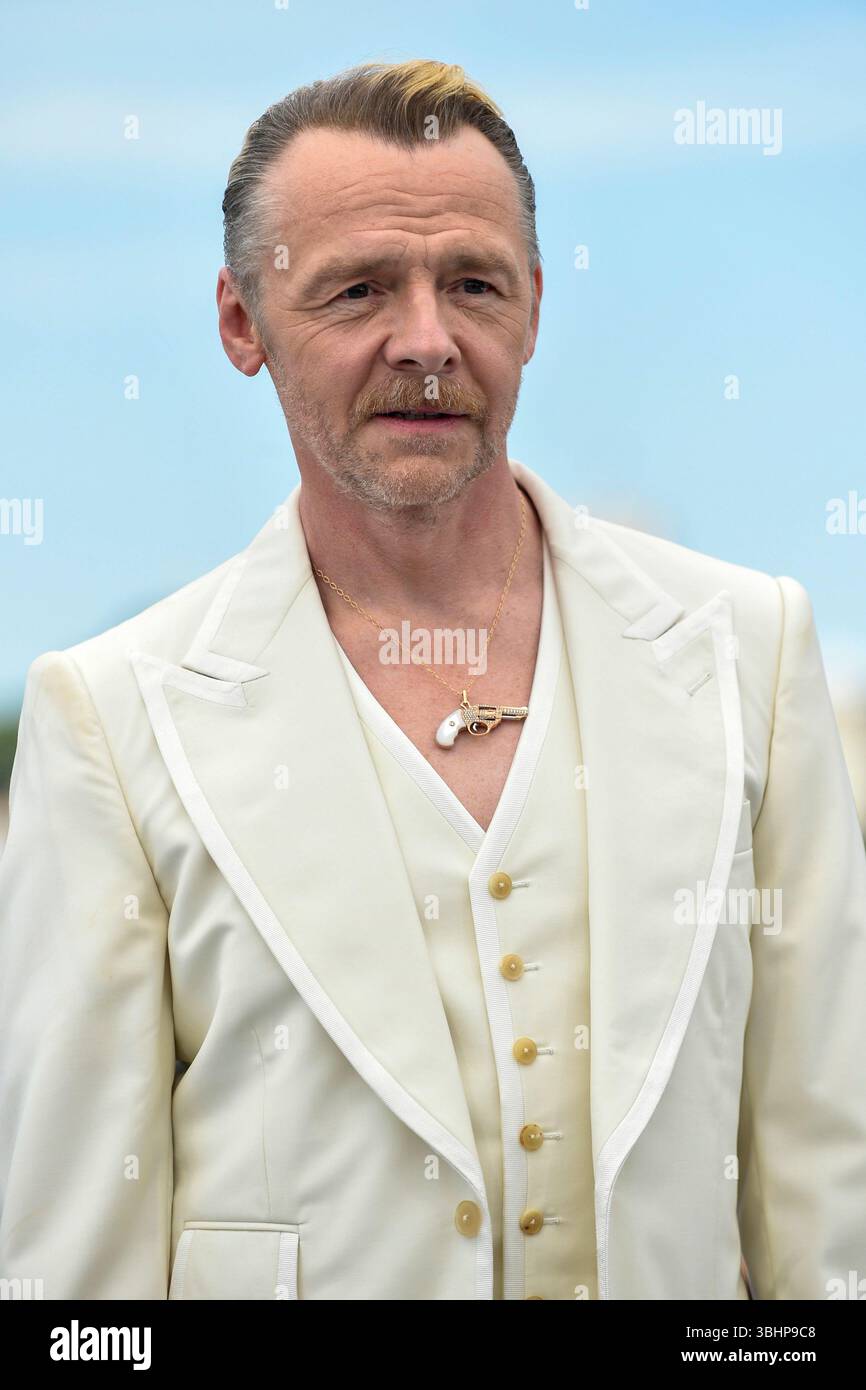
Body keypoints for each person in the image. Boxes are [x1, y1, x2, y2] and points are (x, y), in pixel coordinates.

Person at [1, 58, 865, 1301]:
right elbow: (73, 1284)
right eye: (356, 291)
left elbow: (826, 1200)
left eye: (472, 283)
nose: (425, 341)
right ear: (242, 323)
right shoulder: (111, 713)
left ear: (532, 310)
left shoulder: (749, 646)